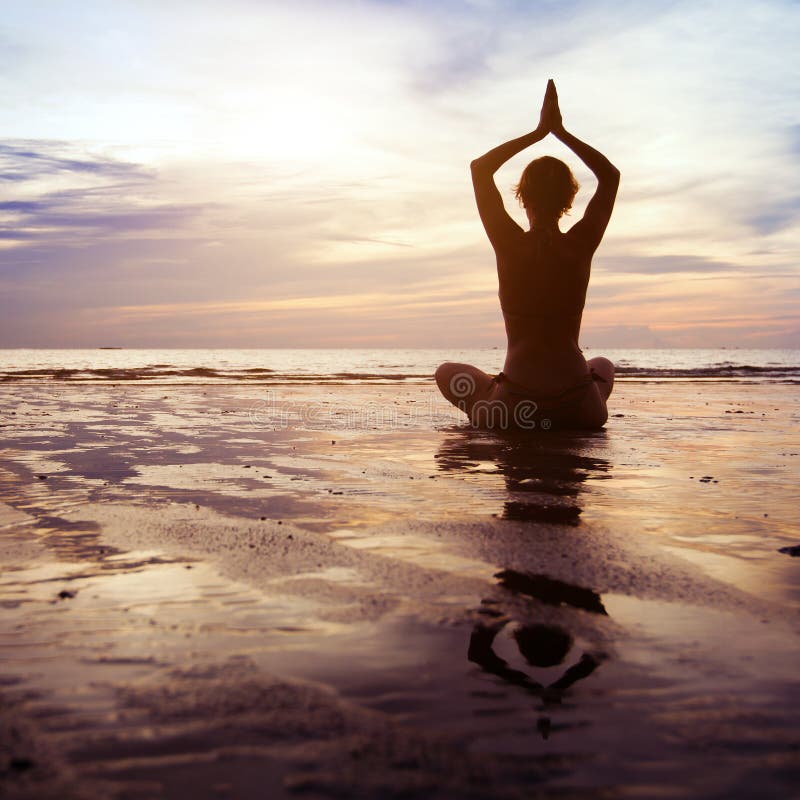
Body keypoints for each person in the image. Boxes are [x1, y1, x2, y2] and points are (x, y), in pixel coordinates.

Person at [435, 79, 619, 430]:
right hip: (580, 407)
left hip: (515, 408)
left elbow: (480, 168)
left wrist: (538, 132)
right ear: (568, 200)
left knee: (446, 373)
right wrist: (560, 132)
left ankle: (496, 386)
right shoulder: (579, 245)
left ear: (521, 197)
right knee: (603, 364)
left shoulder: (509, 242)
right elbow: (609, 177)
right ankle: (566, 397)